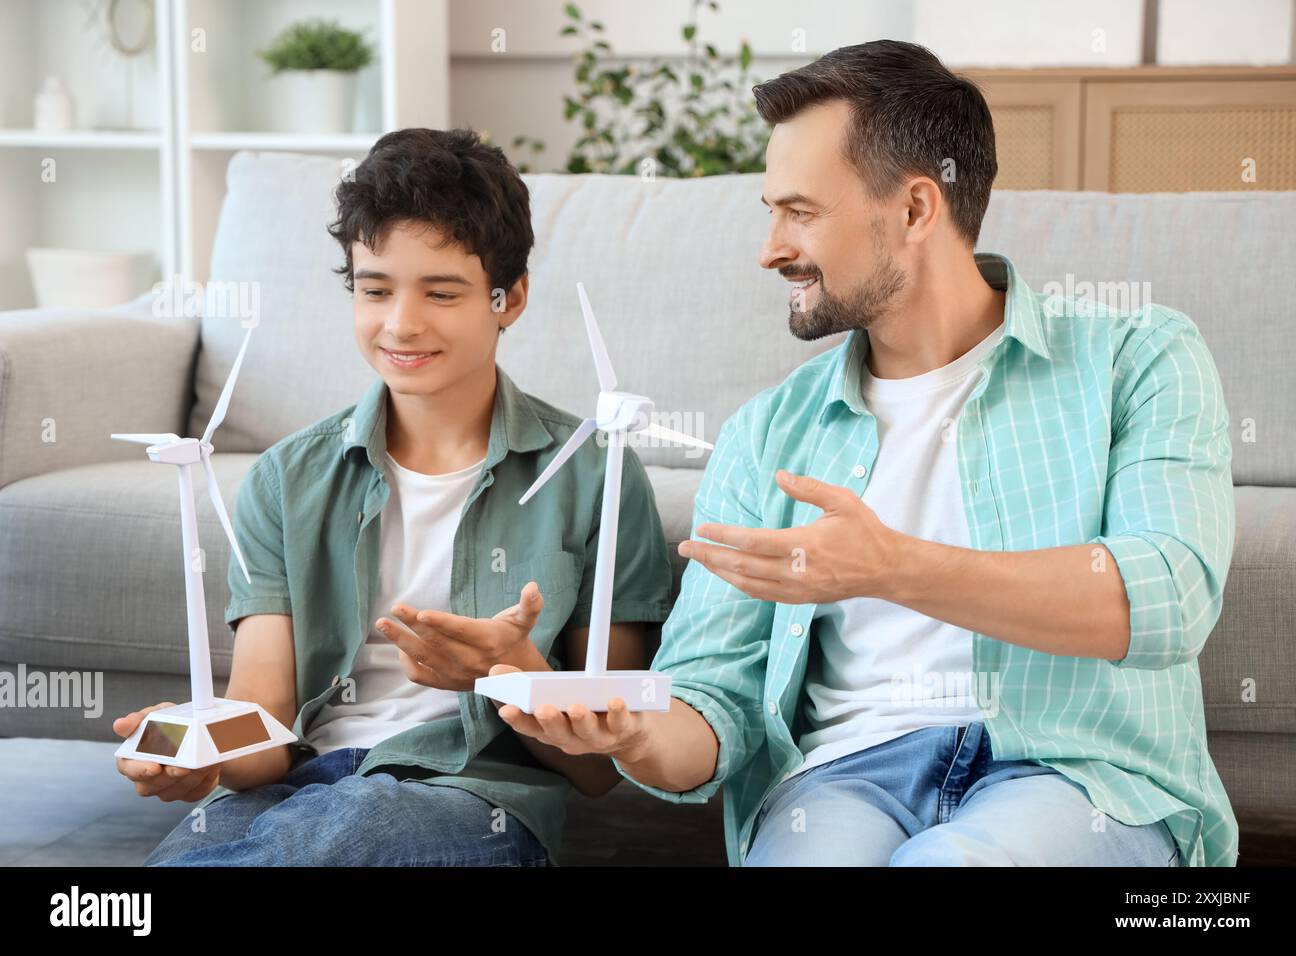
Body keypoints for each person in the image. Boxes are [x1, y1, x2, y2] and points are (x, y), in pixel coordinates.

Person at [498, 40, 1237, 867]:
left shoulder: (1135, 358)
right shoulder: (768, 433)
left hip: (1078, 778)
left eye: (800, 212)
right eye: (769, 211)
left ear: (917, 211)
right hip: (843, 783)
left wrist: (889, 566)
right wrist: (630, 730)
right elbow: (714, 702)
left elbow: (1170, 596)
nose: (771, 249)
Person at [115, 127, 673, 866]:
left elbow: (601, 770)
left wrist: (512, 672)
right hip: (290, 789)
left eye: (441, 293)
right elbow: (266, 726)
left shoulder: (596, 474)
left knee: (354, 825)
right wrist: (201, 753)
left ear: (511, 299)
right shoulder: (285, 479)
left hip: (470, 797)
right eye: (375, 290)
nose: (401, 323)